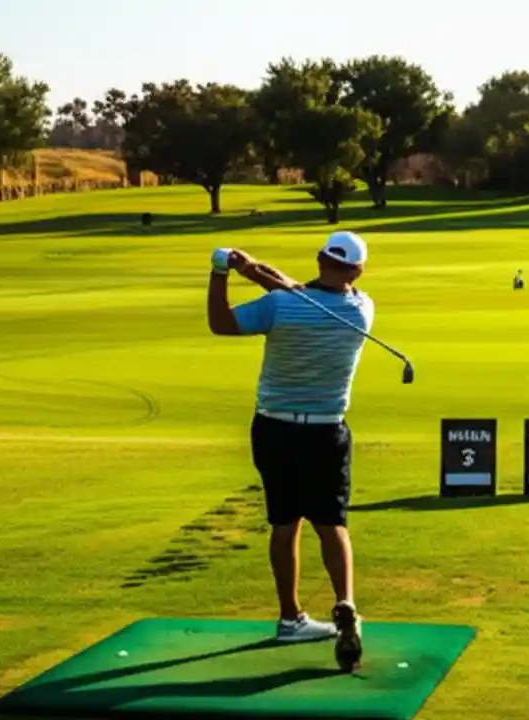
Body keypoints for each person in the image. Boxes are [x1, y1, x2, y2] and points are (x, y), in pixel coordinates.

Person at [206, 231, 374, 672]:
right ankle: (346, 604)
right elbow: (298, 291)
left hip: (275, 429)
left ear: (319, 258)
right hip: (327, 432)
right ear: (357, 271)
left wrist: (222, 273)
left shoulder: (280, 308)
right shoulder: (362, 309)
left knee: (285, 523)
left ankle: (290, 617)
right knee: (332, 525)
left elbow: (222, 322)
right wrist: (253, 268)